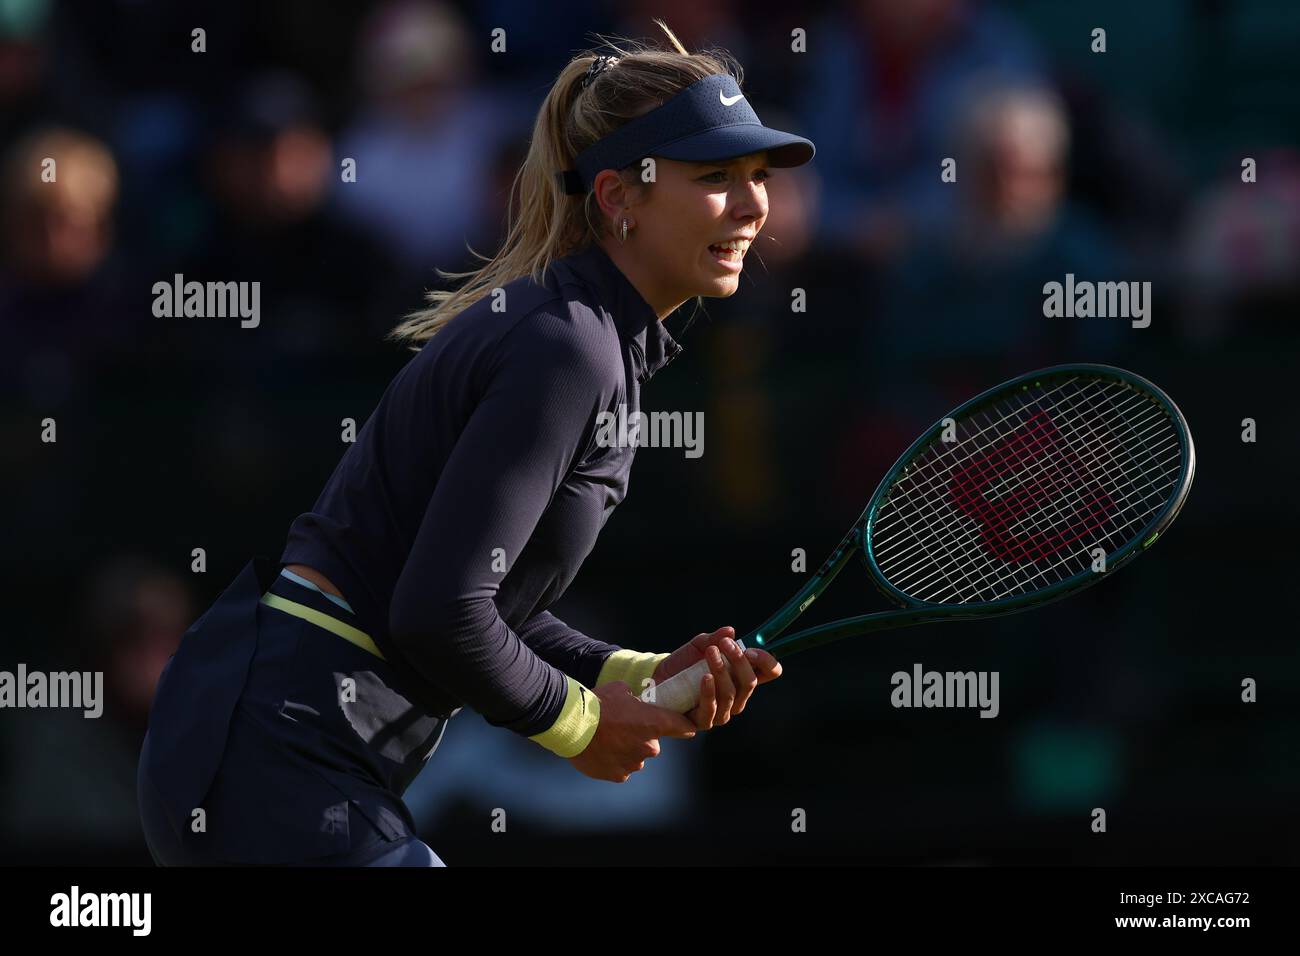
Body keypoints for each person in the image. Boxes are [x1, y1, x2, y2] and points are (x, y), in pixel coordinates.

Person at [137, 20, 814, 867]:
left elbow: (489, 606)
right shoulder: (570, 347)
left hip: (265, 747)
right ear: (618, 198)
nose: (753, 204)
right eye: (715, 175)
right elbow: (439, 612)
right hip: (281, 757)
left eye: (757, 176)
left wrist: (628, 674)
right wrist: (579, 728)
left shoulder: (581, 336)